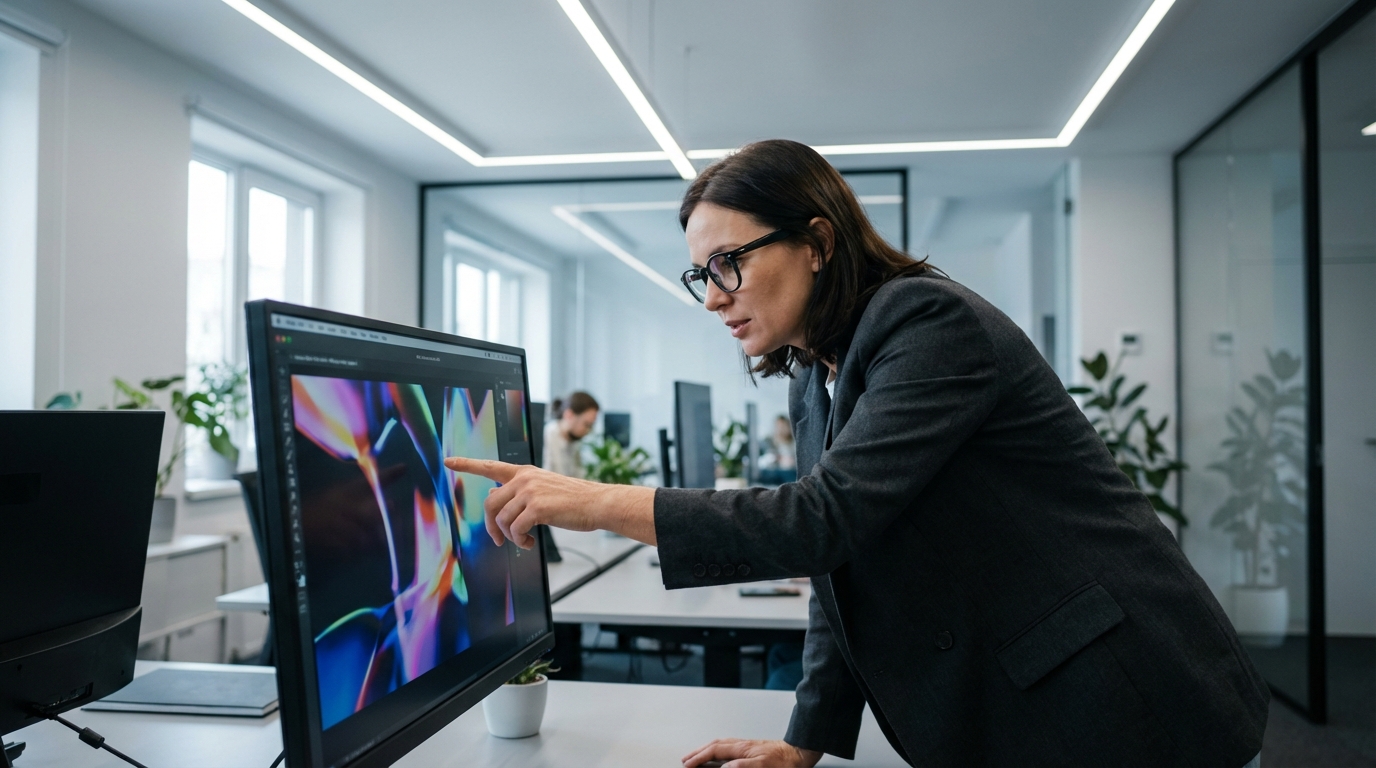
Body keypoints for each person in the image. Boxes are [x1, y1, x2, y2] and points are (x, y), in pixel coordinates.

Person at [446, 140, 1267, 768]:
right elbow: (840, 568)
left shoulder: (928, 324)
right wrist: (806, 738)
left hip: (1119, 697)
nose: (715, 297)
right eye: (701, 276)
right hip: (1019, 697)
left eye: (729, 262)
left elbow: (821, 520)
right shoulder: (815, 376)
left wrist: (594, 502)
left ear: (817, 241)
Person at [542, 391, 599, 478]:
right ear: (569, 415)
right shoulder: (547, 436)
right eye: (587, 424)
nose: (588, 430)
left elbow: (579, 476)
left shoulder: (574, 441)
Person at [757, 414, 797, 485]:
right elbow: (763, 461)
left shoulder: (794, 443)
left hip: (790, 472)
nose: (781, 429)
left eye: (783, 426)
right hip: (773, 472)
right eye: (778, 426)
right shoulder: (768, 442)